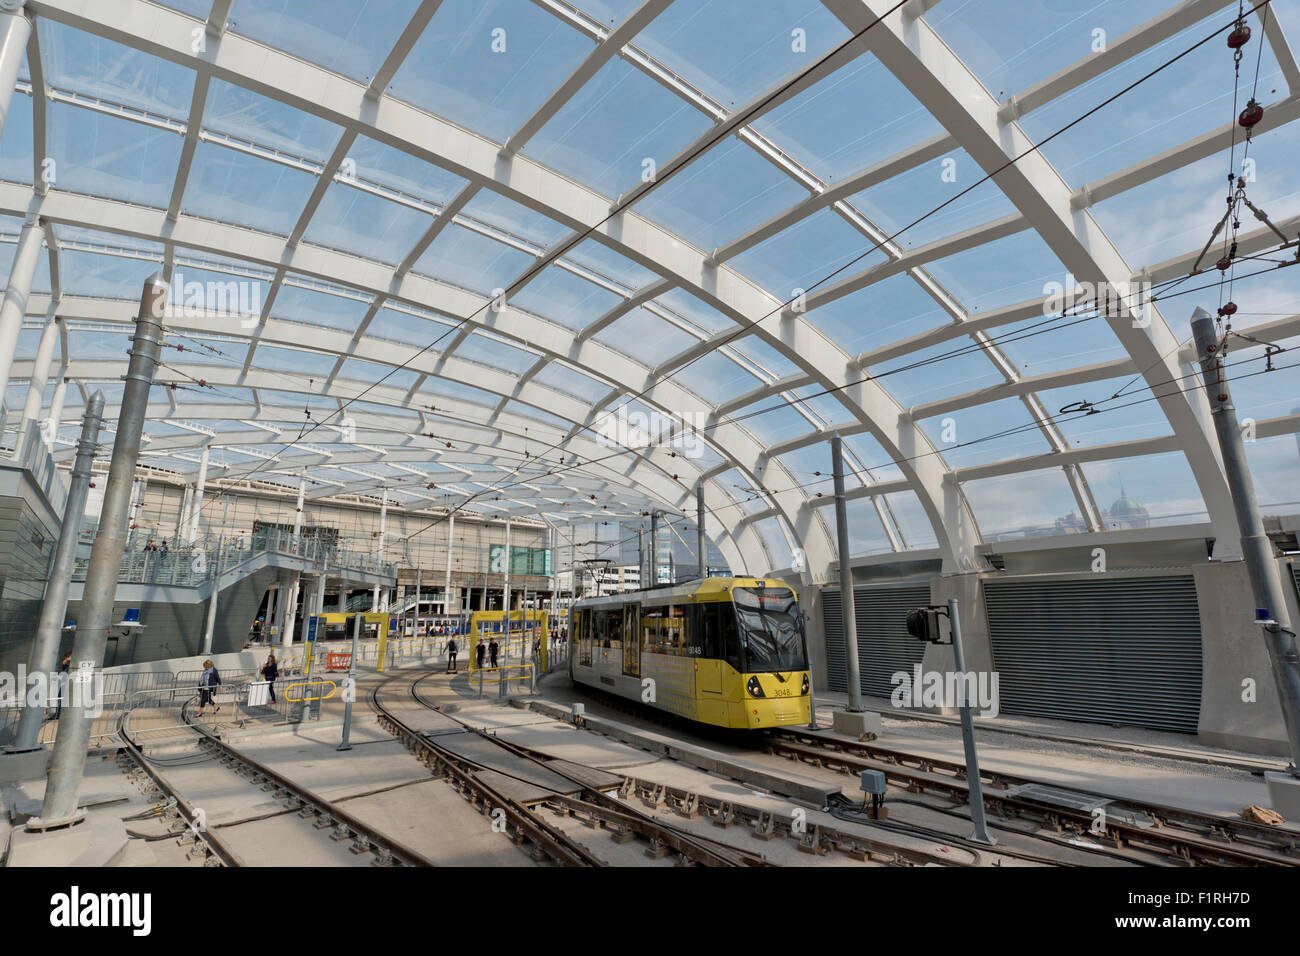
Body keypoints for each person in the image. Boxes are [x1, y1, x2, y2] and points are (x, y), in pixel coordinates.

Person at [53, 653, 71, 719]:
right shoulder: (66, 665)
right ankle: (58, 714)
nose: (66, 659)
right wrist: (64, 665)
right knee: (60, 698)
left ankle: (59, 714)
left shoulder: (72, 663)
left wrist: (67, 663)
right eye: (66, 657)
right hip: (64, 683)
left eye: (68, 657)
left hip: (69, 684)